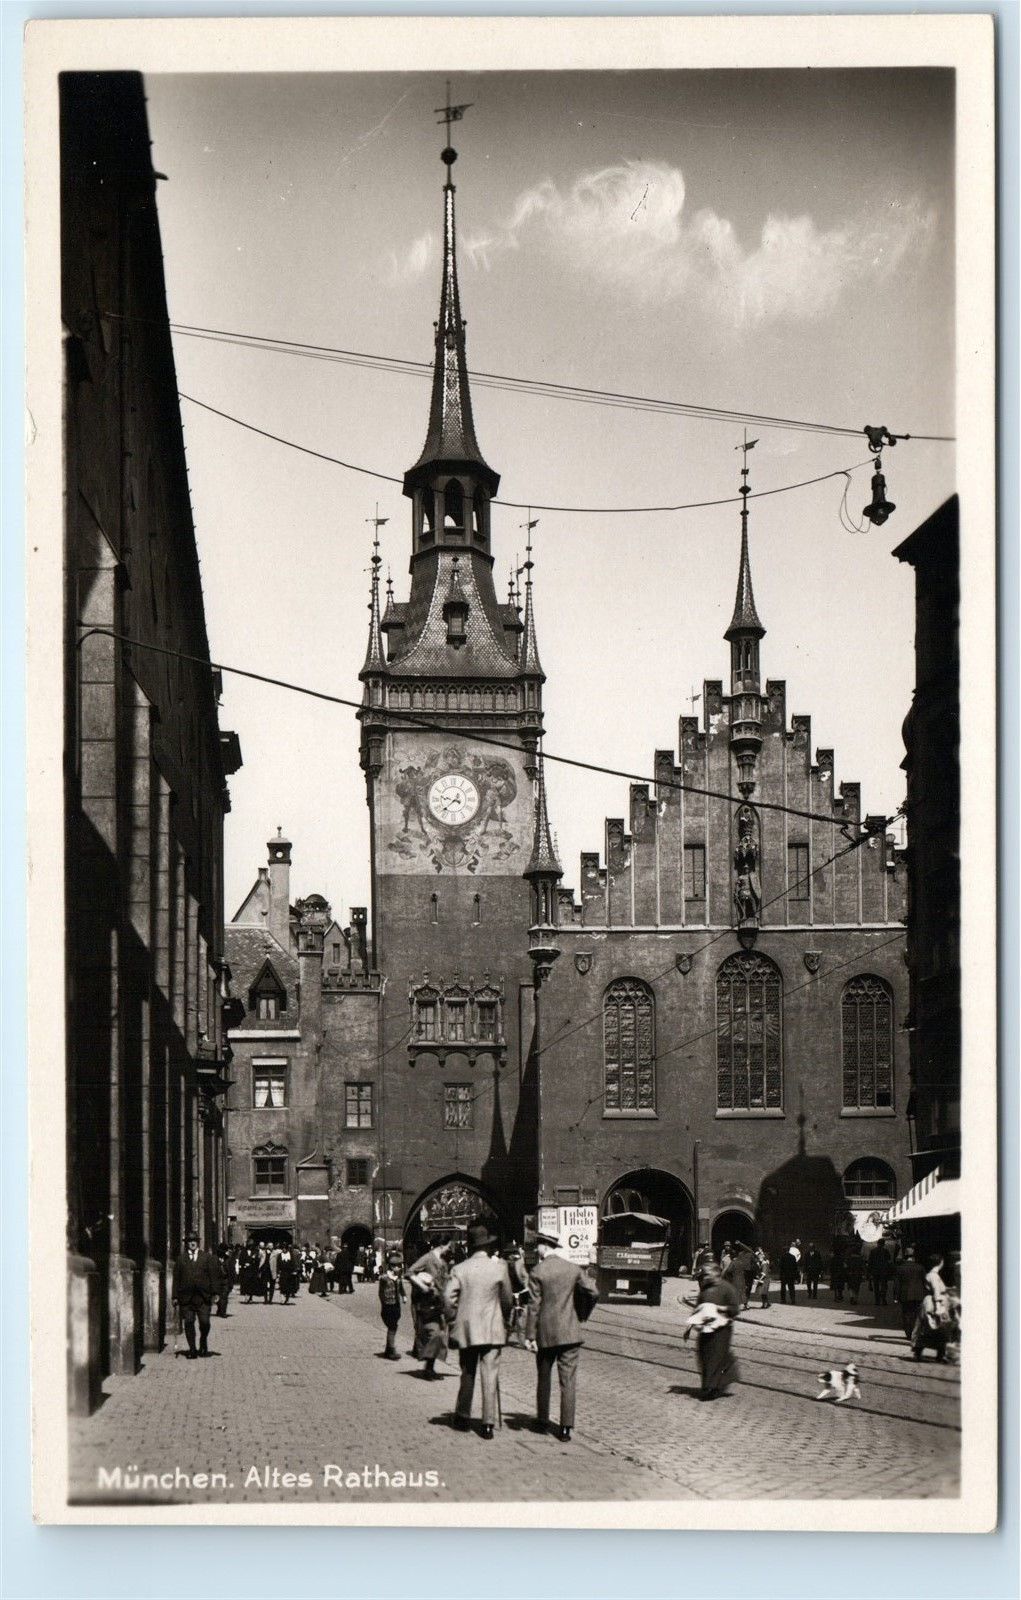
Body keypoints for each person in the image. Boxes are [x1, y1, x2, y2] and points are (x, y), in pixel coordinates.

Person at [524, 1231, 599, 1442]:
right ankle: (565, 1428)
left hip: (545, 1334)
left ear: (543, 1246)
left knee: (544, 1377)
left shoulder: (538, 1271)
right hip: (570, 1333)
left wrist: (530, 1335)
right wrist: (582, 1312)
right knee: (568, 1381)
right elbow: (593, 1291)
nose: (536, 1249)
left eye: (537, 1245)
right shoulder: (572, 1269)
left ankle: (542, 1420)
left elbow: (534, 1306)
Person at [443, 1219, 513, 1440]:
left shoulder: (459, 1269)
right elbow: (507, 1300)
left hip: (467, 1329)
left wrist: (454, 1319)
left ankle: (463, 1416)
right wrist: (503, 1319)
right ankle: (488, 1424)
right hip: (492, 1329)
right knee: (490, 1374)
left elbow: (447, 1298)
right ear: (489, 1245)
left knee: (468, 1372)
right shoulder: (499, 1268)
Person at [684, 1262, 741, 1400]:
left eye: (707, 1273)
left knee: (716, 1358)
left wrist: (720, 1309)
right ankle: (709, 1386)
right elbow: (697, 1309)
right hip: (705, 1329)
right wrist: (689, 1327)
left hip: (722, 1330)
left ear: (716, 1273)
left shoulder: (727, 1289)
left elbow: (735, 1309)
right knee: (704, 1357)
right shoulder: (705, 1289)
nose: (704, 1276)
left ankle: (712, 1388)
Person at [171, 1233, 219, 1359]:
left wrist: (215, 1293)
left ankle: (203, 1340)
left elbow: (213, 1276)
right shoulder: (181, 1259)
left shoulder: (207, 1258)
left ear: (198, 1242)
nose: (192, 1243)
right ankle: (192, 1349)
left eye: (194, 1241)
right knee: (188, 1322)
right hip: (186, 1298)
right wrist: (175, 1296)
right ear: (186, 1243)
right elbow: (176, 1279)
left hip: (203, 1297)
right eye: (190, 1241)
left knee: (205, 1322)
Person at [407, 1241, 454, 1371]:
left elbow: (444, 1280)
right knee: (433, 1333)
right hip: (426, 1302)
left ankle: (430, 1365)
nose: (450, 1249)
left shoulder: (443, 1261)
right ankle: (428, 1366)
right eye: (449, 1246)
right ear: (441, 1246)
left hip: (439, 1302)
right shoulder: (427, 1258)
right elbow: (410, 1272)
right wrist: (422, 1286)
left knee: (441, 1334)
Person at [894, 1246, 927, 1339]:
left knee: (906, 1314)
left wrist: (896, 1297)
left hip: (905, 1295)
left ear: (905, 1256)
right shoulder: (920, 1267)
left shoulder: (900, 1268)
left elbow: (897, 1284)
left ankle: (909, 1333)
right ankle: (916, 1332)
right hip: (919, 1294)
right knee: (917, 1314)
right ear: (914, 1256)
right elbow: (925, 1282)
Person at [378, 1251, 406, 1359]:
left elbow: (402, 1288)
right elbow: (380, 1293)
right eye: (398, 1266)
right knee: (392, 1327)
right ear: (392, 1267)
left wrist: (404, 1296)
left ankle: (388, 1349)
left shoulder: (398, 1278)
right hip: (388, 1306)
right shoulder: (385, 1278)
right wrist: (384, 1303)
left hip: (396, 1305)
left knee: (393, 1327)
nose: (400, 1268)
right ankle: (391, 1351)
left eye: (400, 1266)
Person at [723, 1243, 753, 1310]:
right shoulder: (741, 1261)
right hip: (742, 1279)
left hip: (735, 1279)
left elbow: (729, 1270)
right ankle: (746, 1305)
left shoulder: (733, 1263)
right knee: (743, 1292)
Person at [869, 1238, 893, 1306]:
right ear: (883, 1244)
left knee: (876, 1285)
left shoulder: (873, 1251)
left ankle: (877, 1300)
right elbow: (889, 1261)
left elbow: (870, 1261)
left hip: (875, 1270)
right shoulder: (886, 1251)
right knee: (884, 1285)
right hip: (883, 1270)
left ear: (877, 1243)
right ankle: (883, 1299)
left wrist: (869, 1271)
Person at [779, 1240, 801, 1305]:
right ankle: (793, 1299)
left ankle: (783, 1300)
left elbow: (780, 1266)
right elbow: (795, 1267)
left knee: (783, 1288)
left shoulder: (782, 1257)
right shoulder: (792, 1257)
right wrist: (796, 1275)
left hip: (784, 1275)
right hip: (791, 1275)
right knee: (791, 1288)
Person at [215, 1245, 235, 1318]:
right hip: (217, 1281)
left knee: (224, 1296)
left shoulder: (229, 1260)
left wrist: (232, 1283)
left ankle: (223, 1312)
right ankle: (219, 1309)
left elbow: (232, 1272)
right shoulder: (214, 1259)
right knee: (218, 1297)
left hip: (226, 1280)